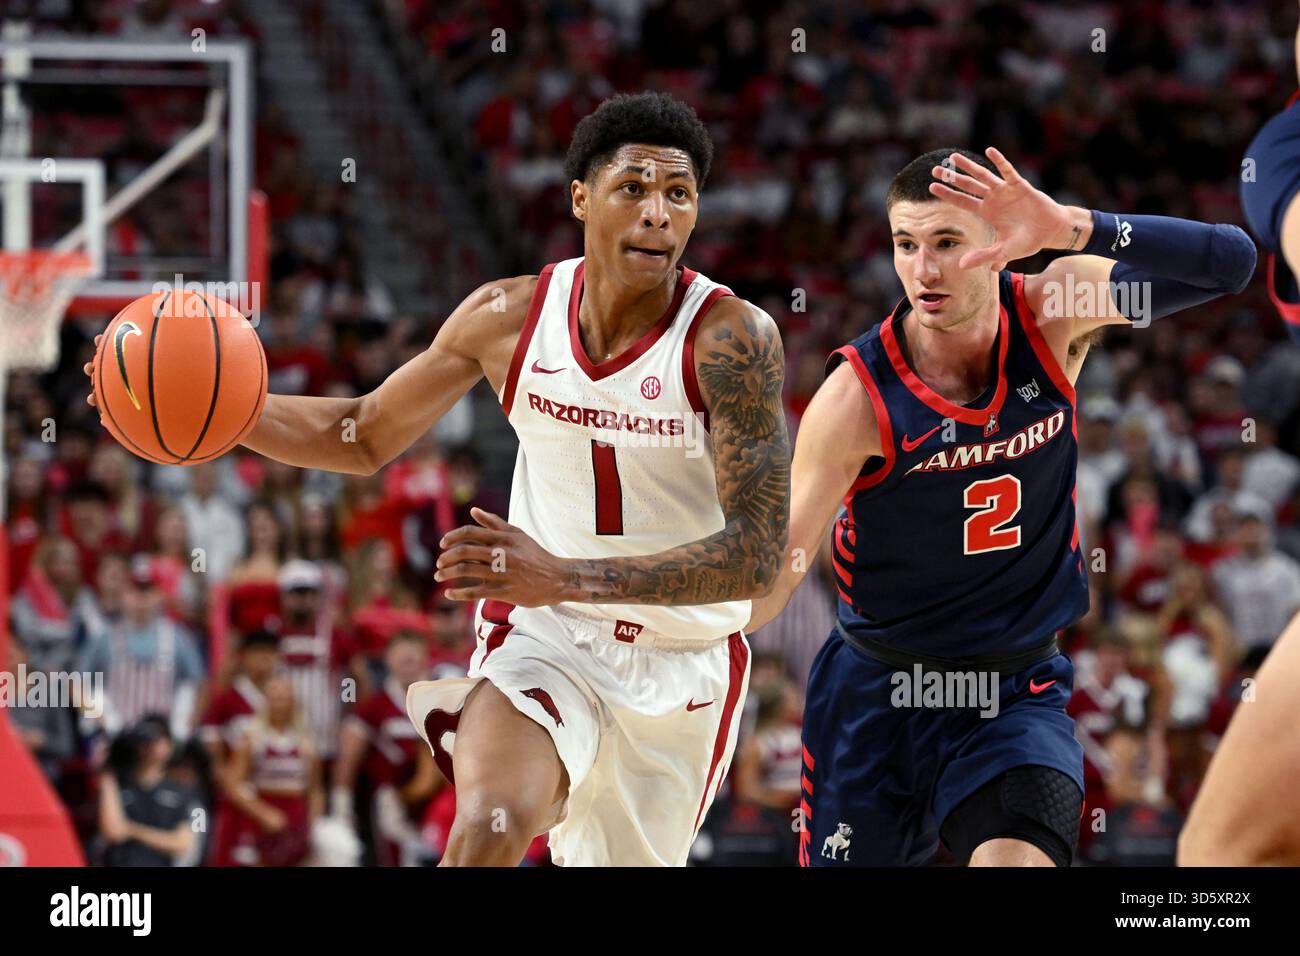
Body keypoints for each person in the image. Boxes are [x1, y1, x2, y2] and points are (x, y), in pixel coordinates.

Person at [85, 92, 788, 866]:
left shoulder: (732, 341)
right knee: (486, 823)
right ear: (581, 197)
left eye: (678, 194)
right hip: (546, 636)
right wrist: (217, 412)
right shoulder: (506, 317)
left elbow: (755, 556)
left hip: (678, 663)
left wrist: (564, 574)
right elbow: (361, 435)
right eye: (634, 189)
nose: (658, 212)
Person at [748, 145, 1254, 867]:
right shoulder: (855, 397)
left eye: (948, 242)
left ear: (999, 243)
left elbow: (1228, 264)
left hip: (1012, 687)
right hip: (876, 692)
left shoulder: (1053, 309)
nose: (923, 270)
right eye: (905, 244)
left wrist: (1075, 227)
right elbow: (777, 572)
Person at [225, 674, 323, 867]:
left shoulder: (306, 742)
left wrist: (313, 827)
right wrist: (262, 813)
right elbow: (233, 785)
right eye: (274, 697)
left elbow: (315, 791)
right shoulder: (252, 737)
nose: (279, 703)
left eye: (284, 697)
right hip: (261, 816)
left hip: (296, 815)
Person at [98, 714, 201, 867]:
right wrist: (109, 769)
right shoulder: (118, 782)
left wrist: (132, 830)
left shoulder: (182, 789)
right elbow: (112, 831)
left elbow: (183, 843)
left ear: (171, 745)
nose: (152, 745)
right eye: (146, 739)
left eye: (159, 738)